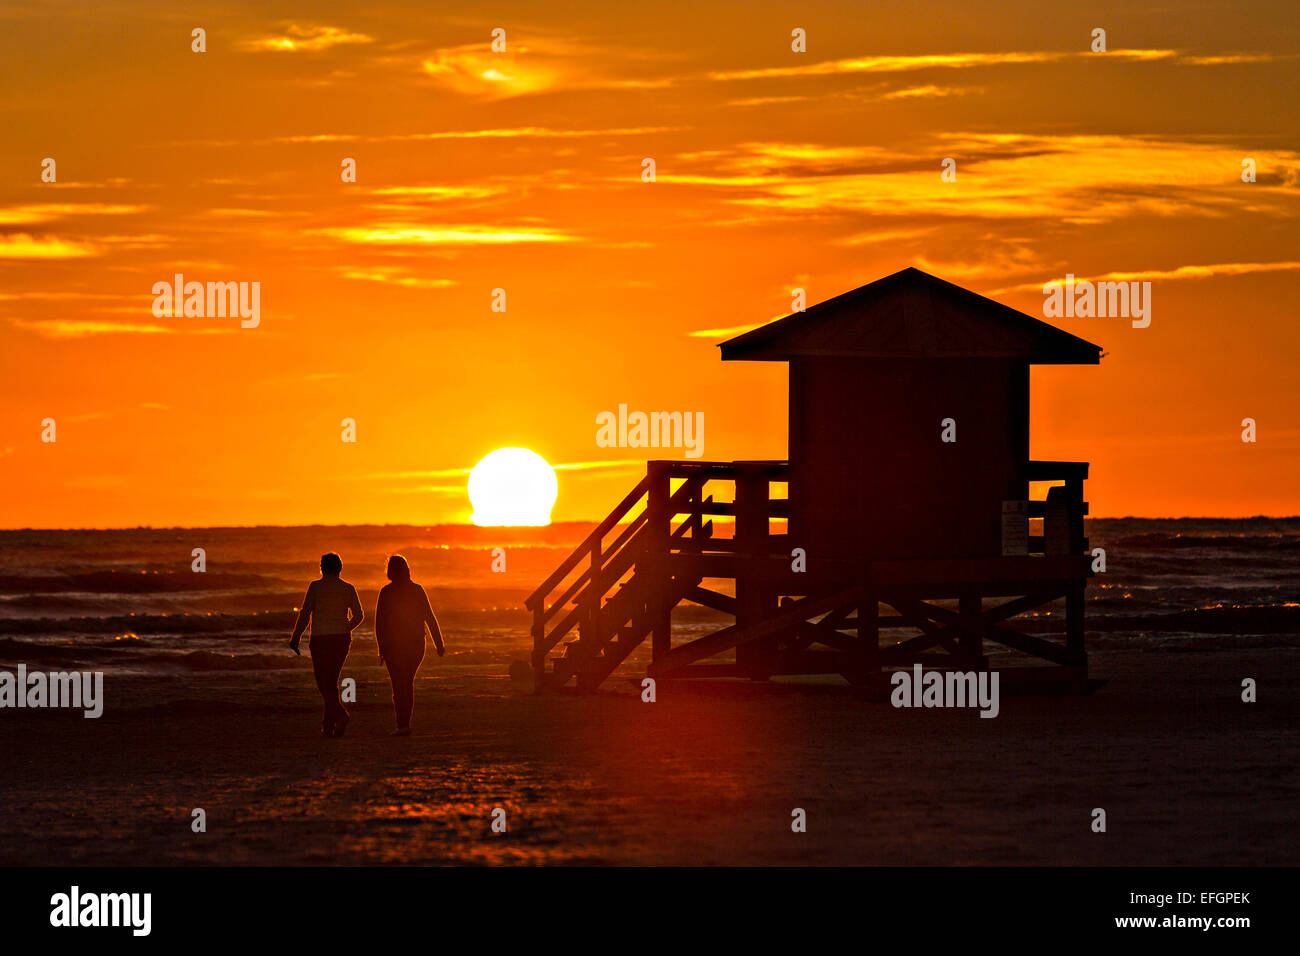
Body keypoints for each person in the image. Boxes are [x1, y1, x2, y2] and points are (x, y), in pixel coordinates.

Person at [289, 553, 363, 737]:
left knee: (325, 683)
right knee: (330, 682)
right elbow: (359, 615)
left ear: (322, 567)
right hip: (341, 639)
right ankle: (328, 726)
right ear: (340, 568)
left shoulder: (315, 587)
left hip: (321, 638)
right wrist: (346, 627)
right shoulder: (347, 588)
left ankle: (341, 716)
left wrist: (296, 636)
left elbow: (305, 614)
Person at [374, 555, 445, 736]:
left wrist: (381, 648)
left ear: (390, 572)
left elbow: (380, 624)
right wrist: (439, 643)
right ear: (407, 570)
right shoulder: (417, 590)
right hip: (415, 644)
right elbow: (429, 617)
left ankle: (402, 724)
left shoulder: (386, 592)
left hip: (394, 645)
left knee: (399, 685)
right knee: (406, 682)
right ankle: (404, 724)